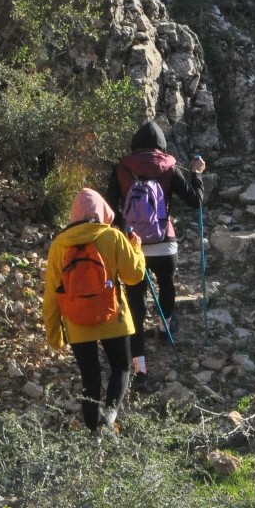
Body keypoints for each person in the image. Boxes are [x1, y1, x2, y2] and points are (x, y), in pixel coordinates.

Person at [108, 122, 206, 381]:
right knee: (166, 282)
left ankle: (140, 368)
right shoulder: (169, 169)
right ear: (161, 145)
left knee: (136, 303)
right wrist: (196, 174)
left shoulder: (121, 169)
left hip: (132, 245)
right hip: (165, 241)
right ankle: (164, 328)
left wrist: (126, 228)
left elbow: (109, 208)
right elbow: (195, 200)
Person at [42, 188, 144, 432]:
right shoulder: (113, 237)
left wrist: (54, 334)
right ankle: (109, 419)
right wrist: (137, 249)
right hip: (113, 317)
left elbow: (51, 294)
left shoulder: (59, 244)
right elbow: (134, 276)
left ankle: (93, 436)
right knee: (121, 367)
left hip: (76, 321)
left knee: (90, 379)